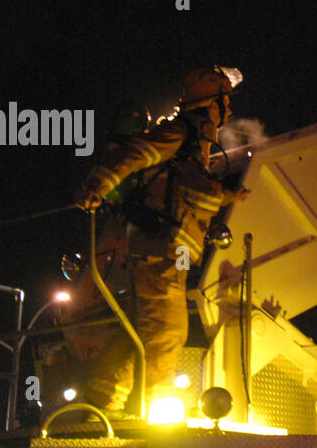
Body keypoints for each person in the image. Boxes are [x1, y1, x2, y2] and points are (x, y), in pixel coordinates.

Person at [71, 66, 249, 414]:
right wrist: (97, 185)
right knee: (167, 332)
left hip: (166, 253)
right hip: (160, 251)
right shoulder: (180, 132)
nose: (229, 111)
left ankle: (99, 403)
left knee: (140, 330)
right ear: (213, 102)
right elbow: (135, 153)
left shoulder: (194, 148)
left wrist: (228, 197)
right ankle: (155, 414)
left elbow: (184, 194)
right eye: (225, 102)